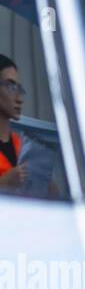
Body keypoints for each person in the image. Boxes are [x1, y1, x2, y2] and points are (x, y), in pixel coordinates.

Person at [0, 54, 28, 193]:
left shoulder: (23, 147)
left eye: (19, 89)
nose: (19, 99)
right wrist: (4, 183)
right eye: (11, 86)